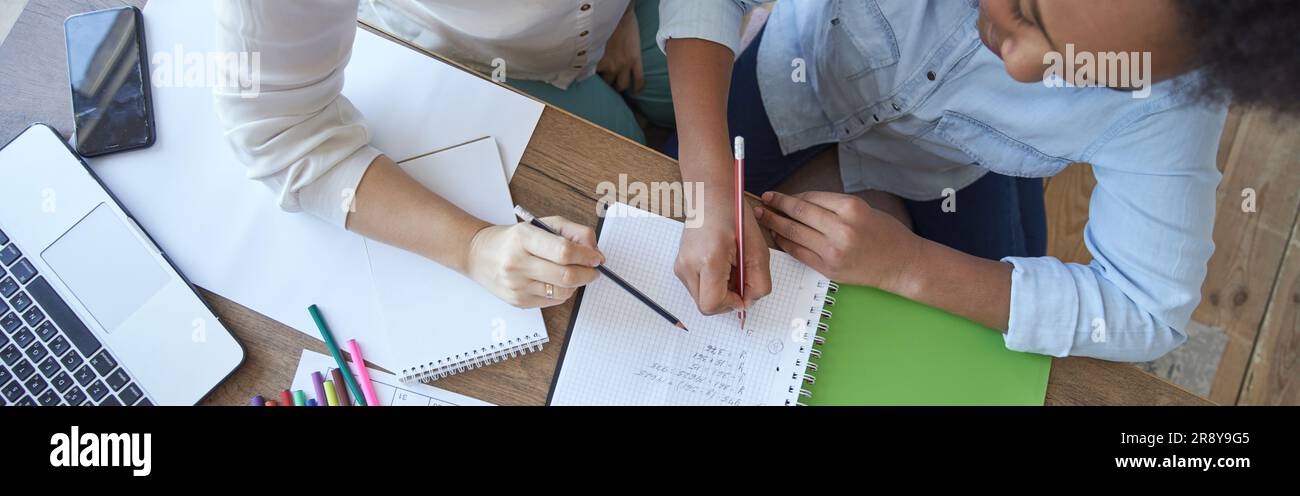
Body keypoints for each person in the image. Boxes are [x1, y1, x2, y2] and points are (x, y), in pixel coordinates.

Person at [658, 0, 1300, 361]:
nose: (1023, 68)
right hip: (792, 79)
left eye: (1088, 73)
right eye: (1022, 8)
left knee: (965, 341)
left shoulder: (1174, 98)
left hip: (948, 167)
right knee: (661, 216)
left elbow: (1144, 311)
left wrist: (908, 266)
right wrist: (710, 187)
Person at [213, 0, 670, 309]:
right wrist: (472, 246)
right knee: (631, 155)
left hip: (619, 16)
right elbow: (284, 135)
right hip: (486, 52)